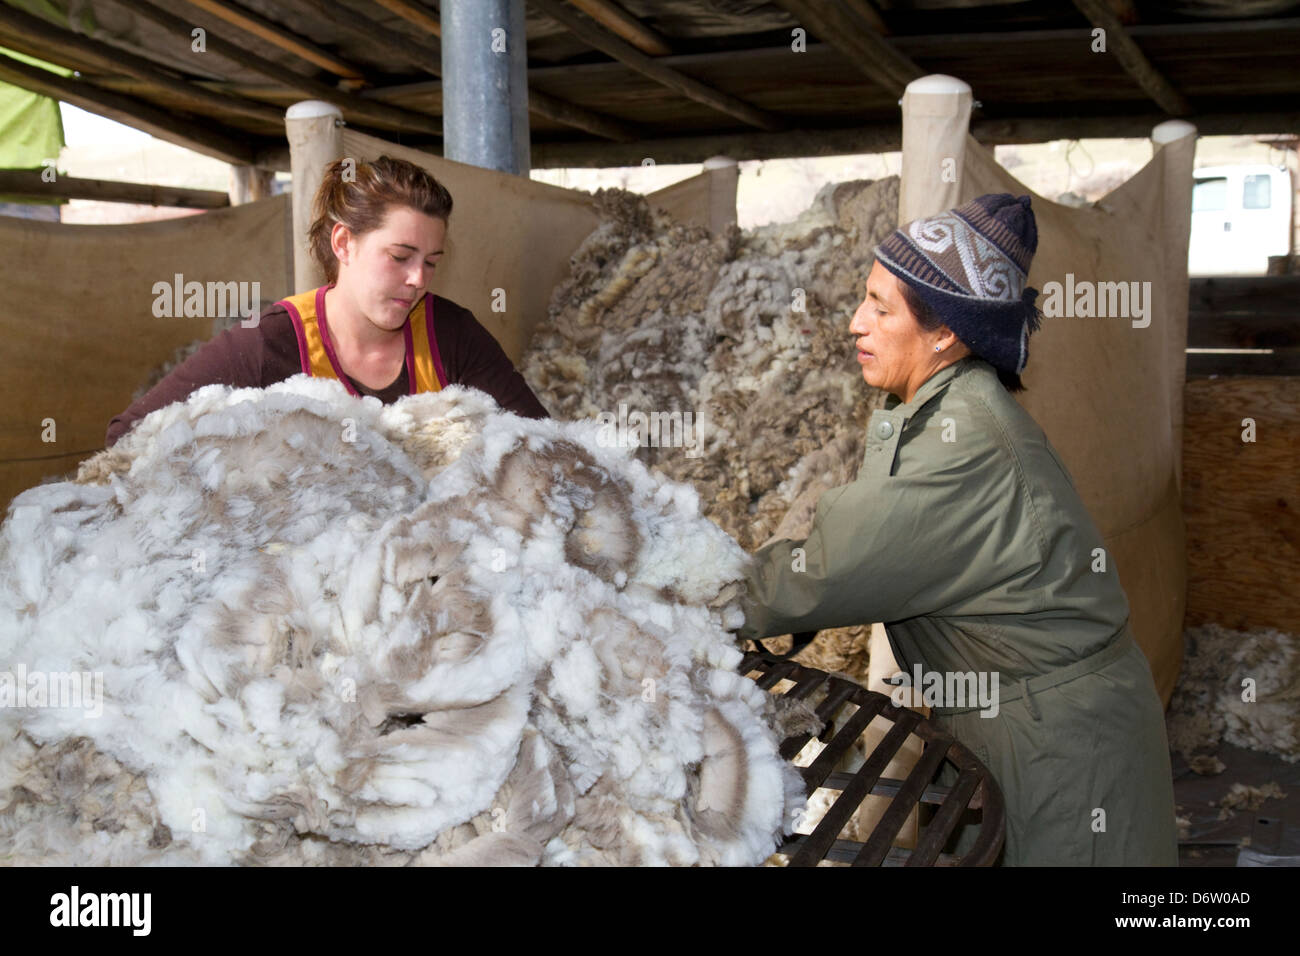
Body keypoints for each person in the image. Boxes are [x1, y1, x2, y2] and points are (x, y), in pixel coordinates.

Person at [736, 193, 1178, 866]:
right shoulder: (937, 406)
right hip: (1017, 719)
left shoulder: (965, 442)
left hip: (1060, 746)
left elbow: (830, 570)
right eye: (865, 299)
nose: (857, 323)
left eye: (881, 309)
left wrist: (696, 590)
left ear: (945, 333)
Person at [106, 155, 548, 447]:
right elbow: (128, 437)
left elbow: (544, 442)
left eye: (432, 262)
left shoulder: (450, 335)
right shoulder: (271, 343)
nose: (417, 280)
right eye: (399, 257)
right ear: (344, 243)